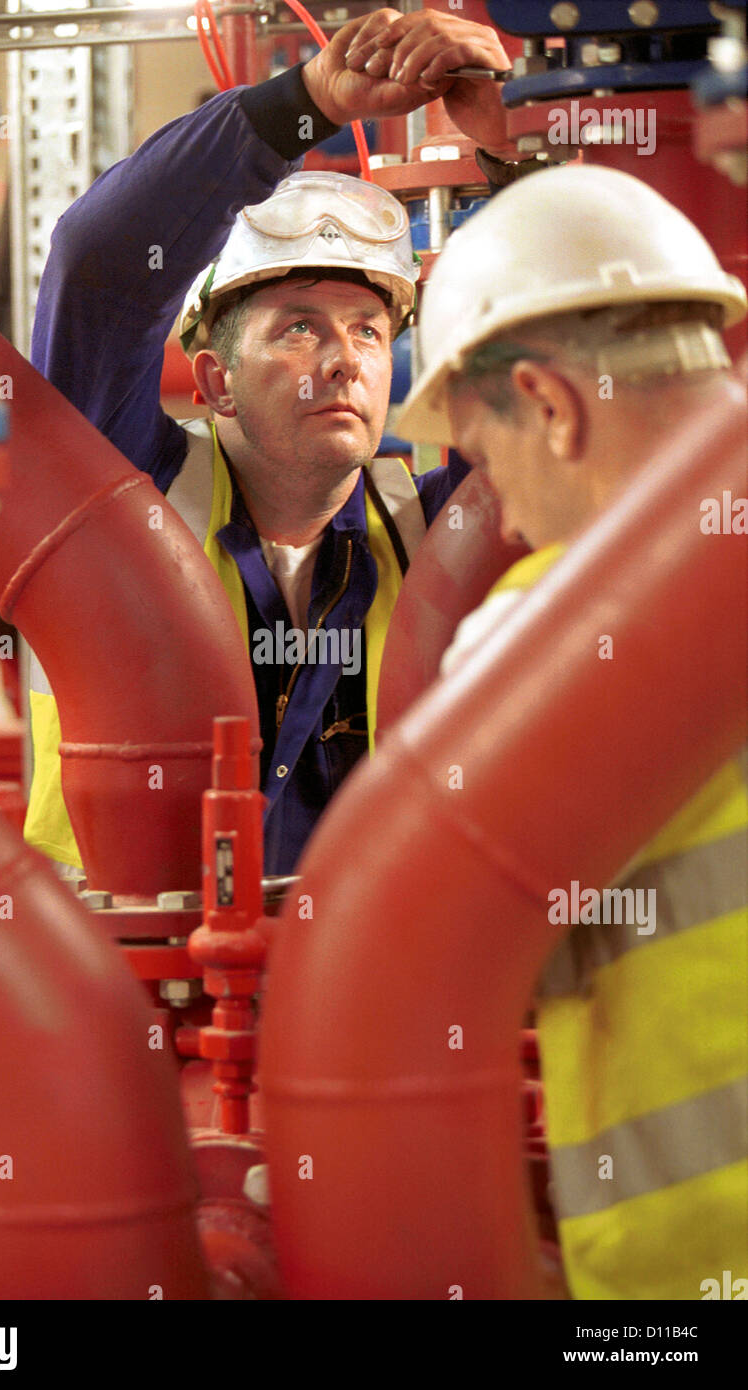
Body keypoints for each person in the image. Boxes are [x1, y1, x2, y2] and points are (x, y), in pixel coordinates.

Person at [24, 7, 541, 876]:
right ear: (216, 380)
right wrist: (307, 103)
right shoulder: (124, 502)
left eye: (370, 332)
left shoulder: (440, 530)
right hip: (134, 986)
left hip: (364, 984)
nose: (343, 361)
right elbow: (101, 266)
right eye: (299, 329)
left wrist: (514, 156)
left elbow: (579, 370)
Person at [397, 162, 748, 1299]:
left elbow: (423, 962)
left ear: (550, 406)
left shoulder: (549, 623)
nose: (497, 507)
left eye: (486, 463)